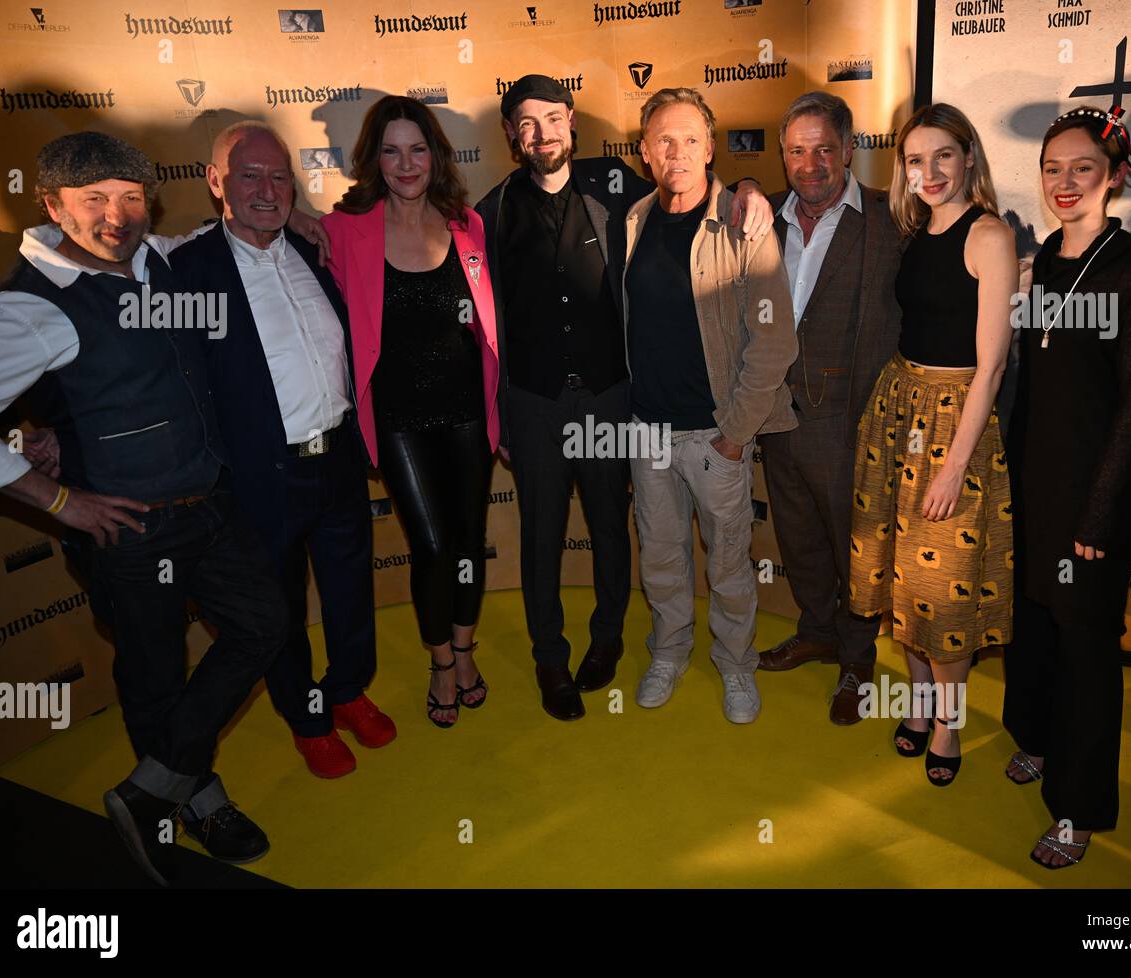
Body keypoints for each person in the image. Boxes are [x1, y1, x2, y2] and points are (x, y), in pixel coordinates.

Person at [0, 132, 288, 883]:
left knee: (266, 621)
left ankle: (152, 790)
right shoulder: (25, 307)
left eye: (132, 198)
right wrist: (57, 500)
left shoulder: (158, 259)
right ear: (50, 204)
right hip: (130, 527)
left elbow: (218, 232)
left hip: (208, 501)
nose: (118, 217)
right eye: (94, 201)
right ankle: (194, 799)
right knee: (154, 676)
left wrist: (291, 221)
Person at [475, 75, 774, 720]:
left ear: (572, 119)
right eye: (526, 123)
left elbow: (695, 193)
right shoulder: (492, 210)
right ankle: (549, 658)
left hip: (614, 399)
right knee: (541, 534)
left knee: (615, 527)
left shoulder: (617, 186)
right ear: (510, 134)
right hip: (533, 401)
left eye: (552, 118)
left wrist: (749, 188)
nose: (542, 133)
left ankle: (609, 638)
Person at [168, 121, 390, 779]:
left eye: (279, 177)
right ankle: (309, 718)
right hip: (262, 477)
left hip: (340, 459)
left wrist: (312, 218)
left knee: (351, 590)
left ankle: (349, 688)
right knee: (280, 611)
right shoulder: (186, 271)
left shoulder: (312, 246)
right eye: (249, 176)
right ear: (215, 183)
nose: (267, 190)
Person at [1002, 106, 1131, 868]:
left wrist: (1098, 519)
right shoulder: (1046, 258)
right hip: (1035, 488)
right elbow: (1032, 386)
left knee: (1086, 658)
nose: (1064, 184)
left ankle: (1079, 811)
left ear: (1114, 176)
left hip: (1093, 499)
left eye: (1082, 169)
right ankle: (1035, 742)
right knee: (1034, 631)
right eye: (1052, 169)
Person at [848, 103, 1017, 784]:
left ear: (969, 157)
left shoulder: (990, 235)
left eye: (943, 155)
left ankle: (950, 721)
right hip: (898, 411)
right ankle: (919, 704)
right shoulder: (915, 231)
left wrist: (952, 469)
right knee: (901, 577)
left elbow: (992, 366)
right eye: (916, 160)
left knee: (941, 593)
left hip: (956, 422)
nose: (930, 171)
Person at [321, 95, 499, 728]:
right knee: (428, 545)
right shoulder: (344, 229)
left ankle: (466, 648)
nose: (406, 163)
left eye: (417, 149)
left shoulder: (466, 225)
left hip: (466, 410)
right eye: (391, 151)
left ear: (435, 155)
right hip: (396, 416)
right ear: (374, 159)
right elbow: (268, 220)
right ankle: (441, 664)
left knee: (467, 541)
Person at [624, 87, 797, 724]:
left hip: (715, 435)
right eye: (664, 140)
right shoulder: (633, 220)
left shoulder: (743, 222)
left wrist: (734, 433)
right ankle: (667, 653)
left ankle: (735, 664)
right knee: (663, 559)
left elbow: (775, 337)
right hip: (646, 432)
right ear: (644, 151)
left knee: (728, 565)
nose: (678, 152)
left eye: (691, 139)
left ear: (710, 146)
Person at [755, 92, 903, 726]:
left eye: (823, 149)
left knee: (854, 548)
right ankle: (816, 630)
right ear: (782, 155)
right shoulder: (762, 218)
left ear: (848, 150)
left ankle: (857, 654)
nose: (810, 163)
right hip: (773, 413)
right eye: (796, 150)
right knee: (799, 537)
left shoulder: (890, 219)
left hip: (851, 418)